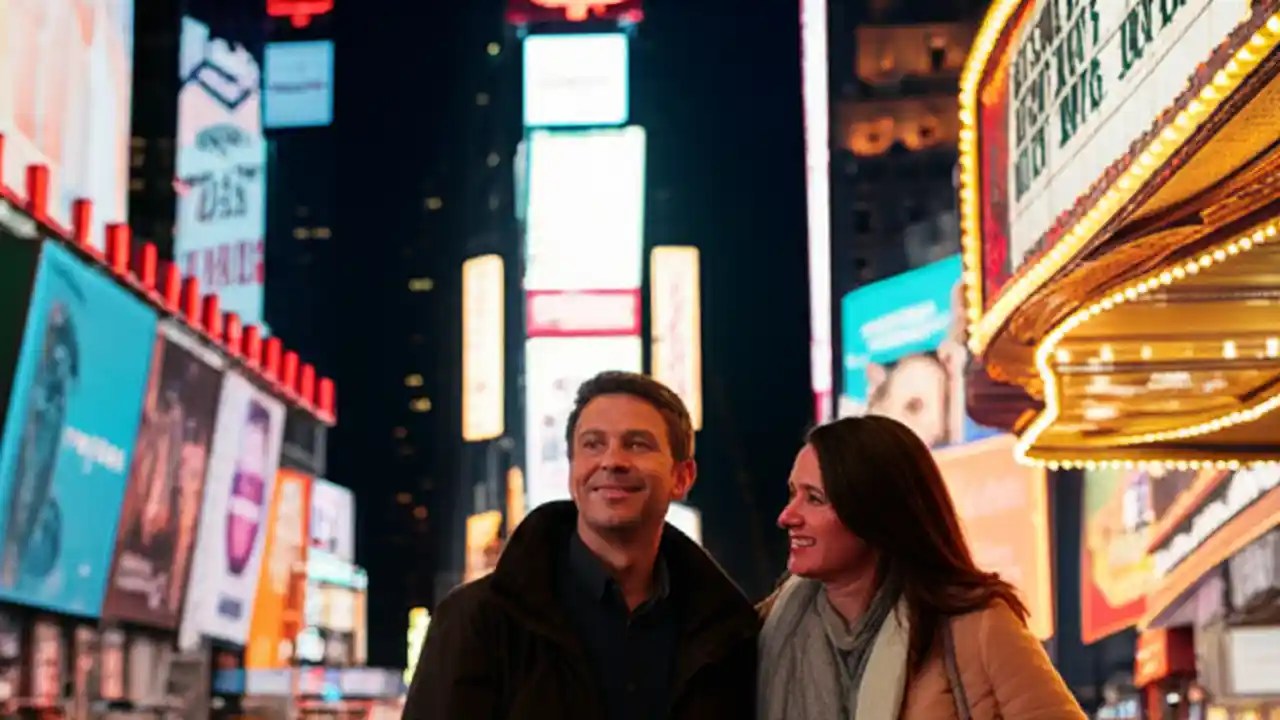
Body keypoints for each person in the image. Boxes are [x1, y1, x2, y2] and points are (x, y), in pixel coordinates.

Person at [404, 371, 758, 719]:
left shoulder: (727, 633)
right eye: (593, 444)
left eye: (637, 444)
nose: (612, 461)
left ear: (682, 478)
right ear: (573, 471)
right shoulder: (478, 619)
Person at [758, 415, 1085, 720]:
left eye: (814, 499)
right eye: (792, 494)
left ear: (874, 512)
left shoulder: (976, 627)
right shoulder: (772, 625)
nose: (787, 516)